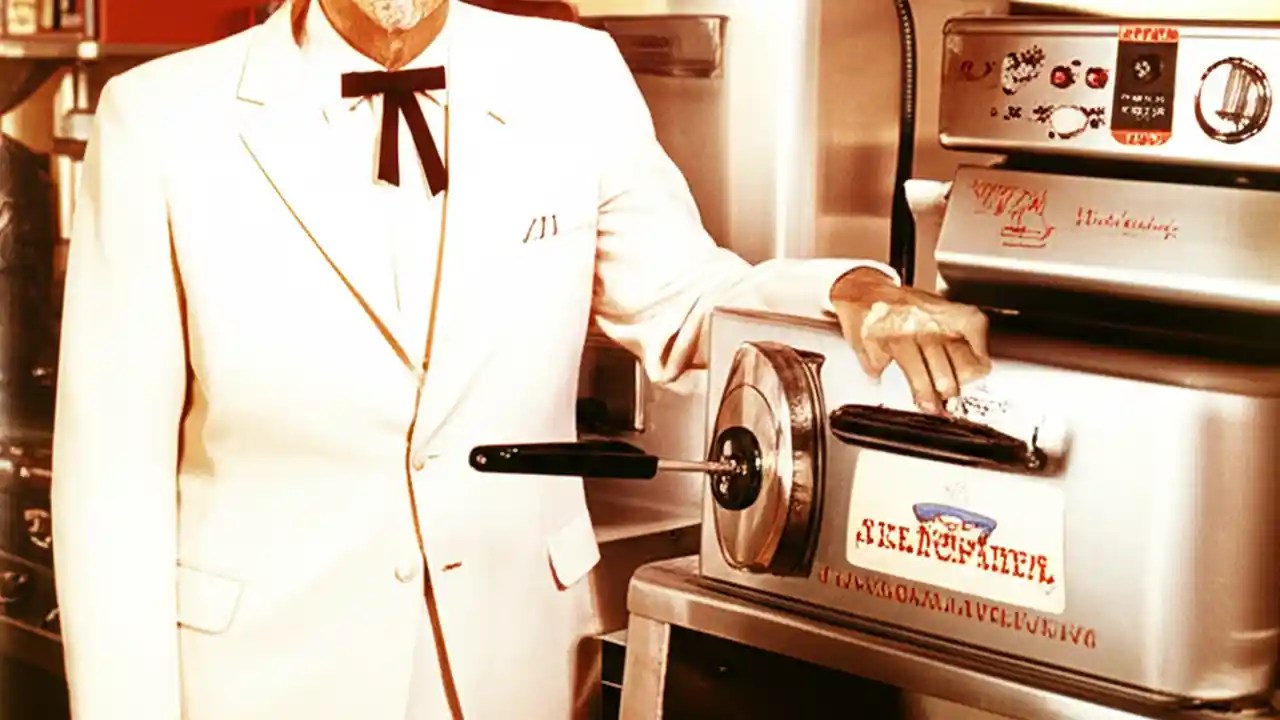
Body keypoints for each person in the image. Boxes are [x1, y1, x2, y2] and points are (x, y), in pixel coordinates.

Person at [50, 0, 991, 718]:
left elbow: (683, 298)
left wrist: (849, 290)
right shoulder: (162, 122)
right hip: (265, 673)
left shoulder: (573, 77)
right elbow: (111, 482)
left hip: (517, 663)